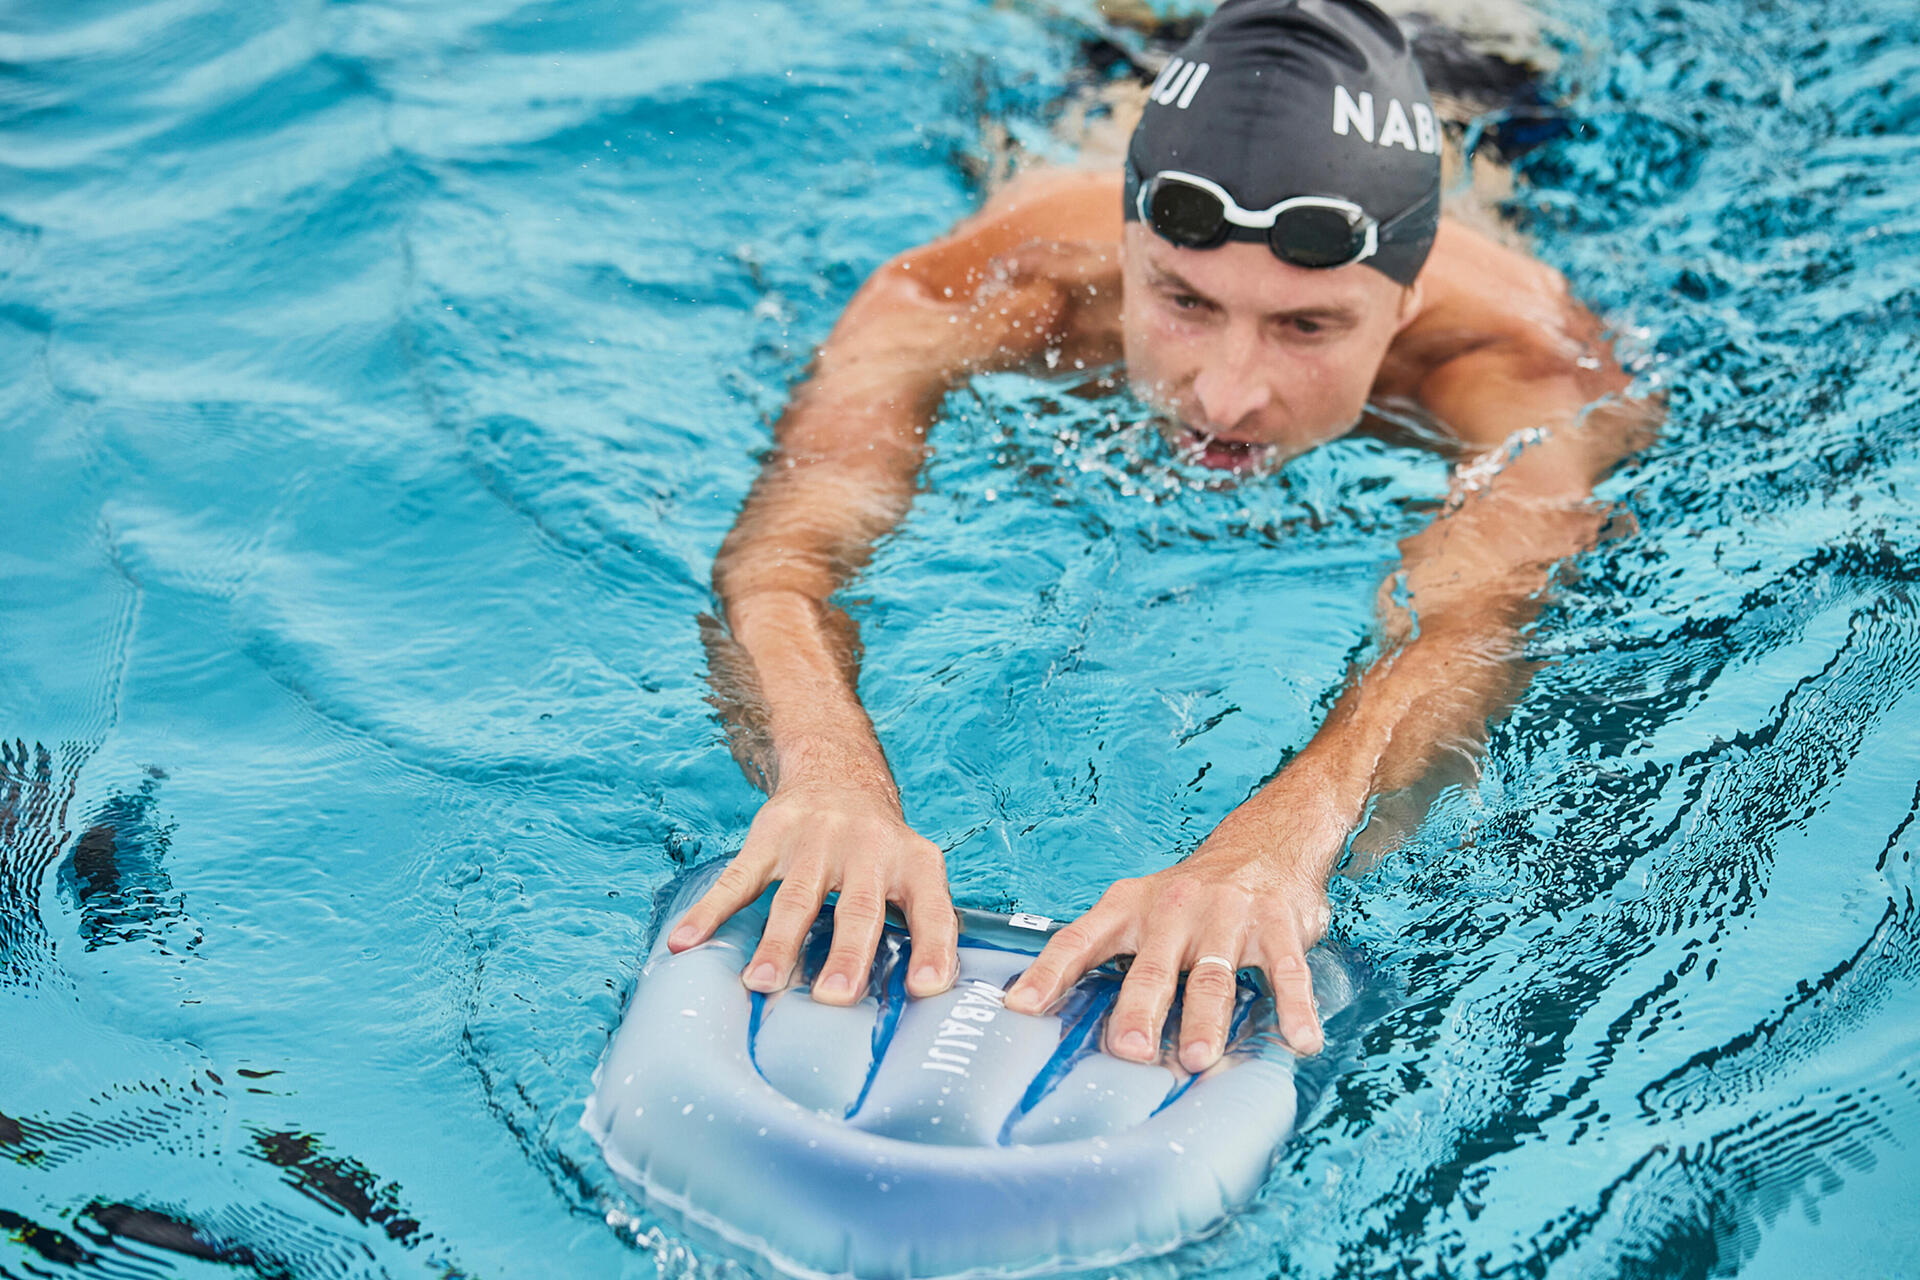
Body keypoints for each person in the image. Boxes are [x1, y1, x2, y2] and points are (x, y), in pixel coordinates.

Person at [666, 0, 1655, 1075]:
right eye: (1182, 300)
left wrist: (1288, 835)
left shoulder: (1533, 369)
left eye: (1308, 325)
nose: (1227, 396)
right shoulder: (975, 290)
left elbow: (1473, 621)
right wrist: (826, 768)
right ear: (1129, 245)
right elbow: (781, 559)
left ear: (1407, 299)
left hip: (1478, 71)